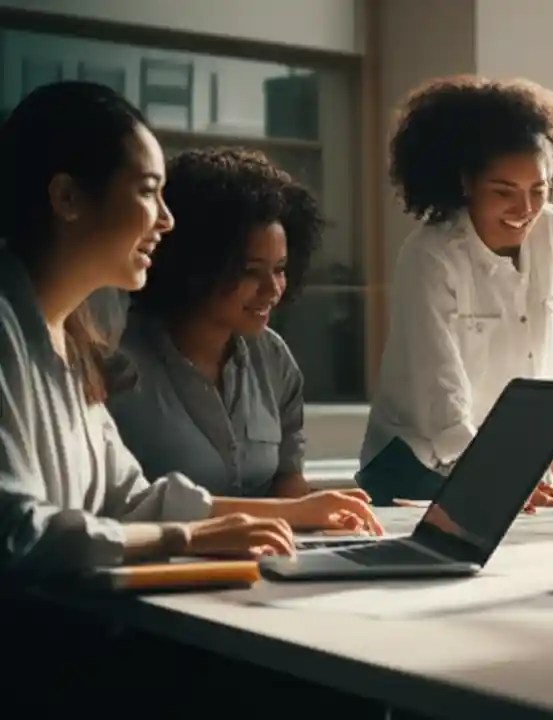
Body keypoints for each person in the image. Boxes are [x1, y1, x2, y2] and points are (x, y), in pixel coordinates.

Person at [0, 82, 381, 576]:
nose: (166, 220)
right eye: (147, 192)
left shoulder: (72, 338)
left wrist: (292, 512)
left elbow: (132, 499)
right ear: (68, 196)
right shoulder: (13, 328)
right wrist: (186, 537)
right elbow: (16, 528)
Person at [359, 75, 553, 506]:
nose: (525, 210)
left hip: (504, 463)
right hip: (414, 463)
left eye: (538, 190)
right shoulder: (431, 255)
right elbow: (440, 397)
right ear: (466, 183)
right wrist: (499, 479)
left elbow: (551, 356)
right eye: (504, 192)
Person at [107, 147, 345, 503]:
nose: (272, 289)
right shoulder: (114, 362)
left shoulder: (274, 359)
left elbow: (287, 484)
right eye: (250, 271)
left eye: (279, 269)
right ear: (196, 265)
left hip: (261, 555)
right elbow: (119, 505)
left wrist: (329, 516)